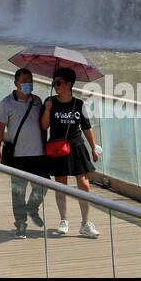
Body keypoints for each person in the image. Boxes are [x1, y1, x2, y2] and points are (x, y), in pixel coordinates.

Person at [41, 67, 101, 238]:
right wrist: (47, 109)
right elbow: (44, 126)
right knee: (61, 184)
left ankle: (85, 223)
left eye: (59, 83)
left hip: (76, 147)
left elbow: (86, 128)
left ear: (68, 84)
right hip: (58, 147)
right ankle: (63, 220)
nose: (55, 86)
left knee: (84, 183)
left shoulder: (79, 104)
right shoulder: (50, 102)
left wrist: (94, 147)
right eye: (54, 83)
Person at [0, 67, 47, 239]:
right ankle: (21, 224)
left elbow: (44, 125)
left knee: (43, 186)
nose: (29, 85)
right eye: (25, 82)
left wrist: (50, 107)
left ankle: (32, 207)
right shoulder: (6, 103)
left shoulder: (38, 101)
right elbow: (0, 128)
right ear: (16, 83)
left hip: (38, 154)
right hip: (16, 155)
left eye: (31, 81)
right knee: (18, 192)